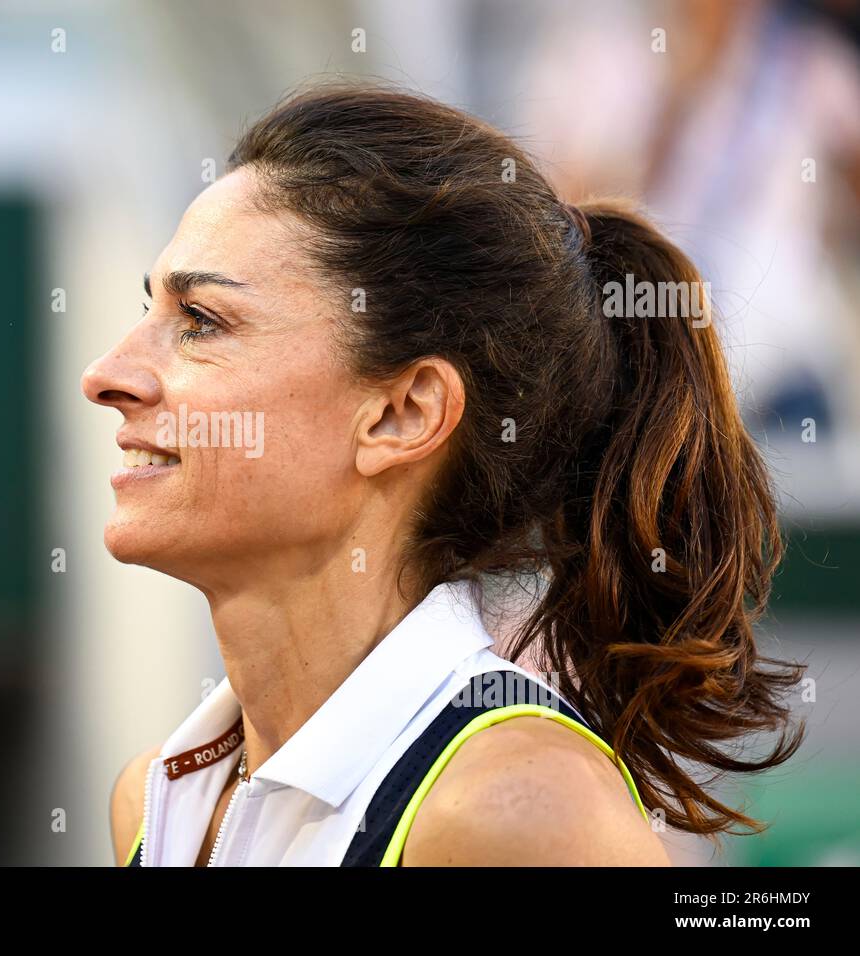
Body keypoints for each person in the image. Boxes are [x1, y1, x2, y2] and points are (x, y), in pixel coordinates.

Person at [84, 82, 805, 866]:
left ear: (404, 414)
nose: (107, 373)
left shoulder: (523, 812)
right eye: (150, 309)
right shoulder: (153, 802)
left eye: (201, 322)